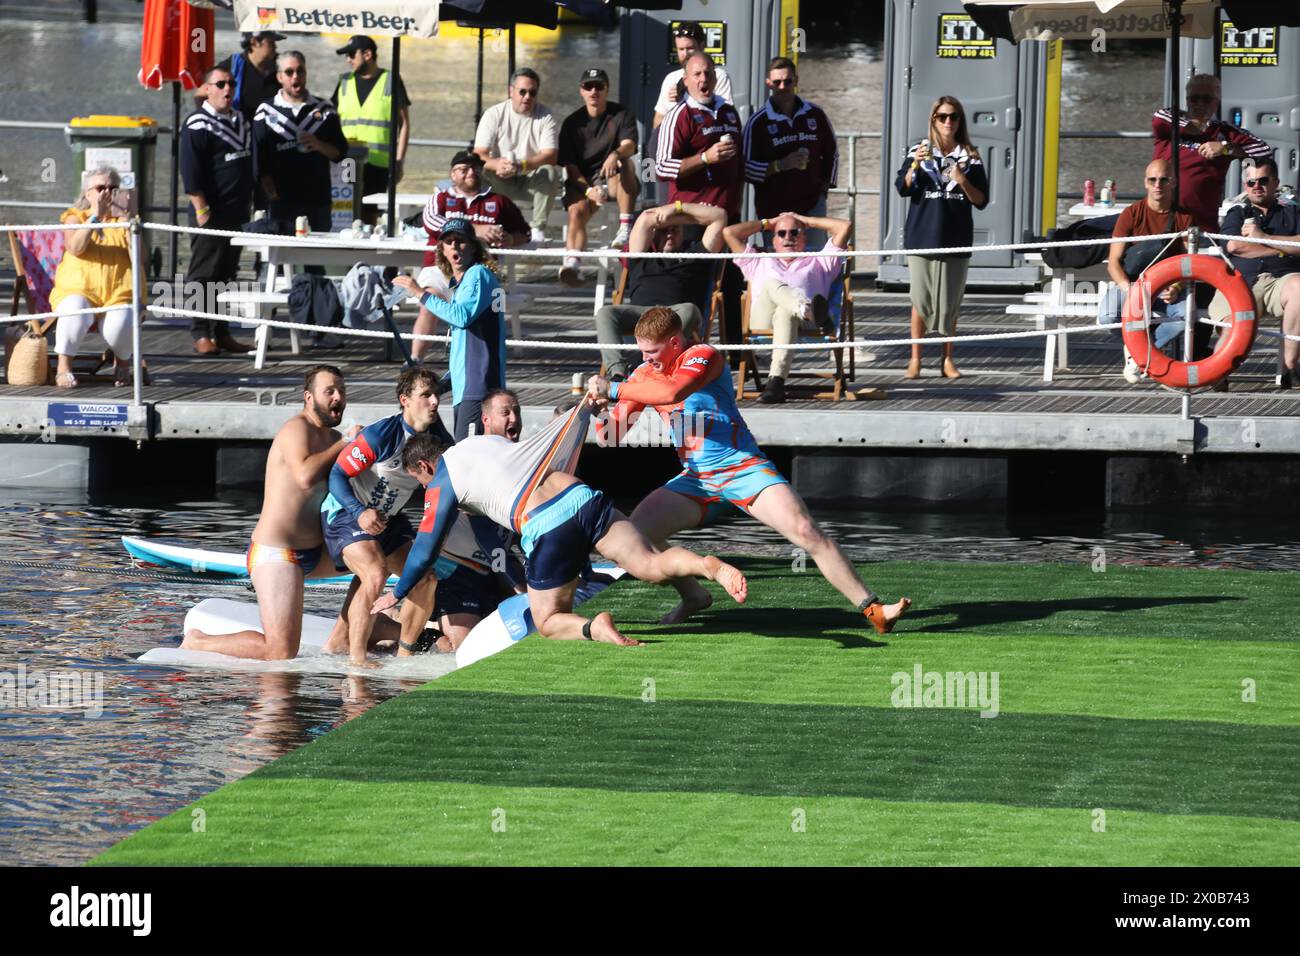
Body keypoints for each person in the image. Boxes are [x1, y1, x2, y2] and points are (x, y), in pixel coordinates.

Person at [587, 308, 910, 634]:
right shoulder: (643, 375)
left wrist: (613, 389)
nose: (644, 358)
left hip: (743, 468)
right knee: (634, 539)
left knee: (806, 531)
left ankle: (874, 609)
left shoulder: (703, 356)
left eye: (652, 351)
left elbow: (673, 392)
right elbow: (609, 437)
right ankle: (693, 595)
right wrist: (599, 410)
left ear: (674, 342)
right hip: (696, 479)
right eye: (641, 351)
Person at [370, 400, 749, 647]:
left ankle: (595, 628)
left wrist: (397, 592)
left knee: (548, 620)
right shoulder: (482, 443)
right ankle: (705, 569)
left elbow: (424, 548)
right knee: (649, 563)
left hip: (547, 523)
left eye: (420, 482)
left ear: (424, 467)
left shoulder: (440, 478)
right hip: (582, 496)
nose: (425, 489)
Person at [181, 366, 353, 660]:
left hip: (316, 552)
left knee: (375, 562)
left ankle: (344, 636)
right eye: (329, 391)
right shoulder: (297, 429)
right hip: (278, 553)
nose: (337, 397)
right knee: (281, 650)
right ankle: (199, 641)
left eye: (341, 391)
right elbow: (304, 476)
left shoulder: (333, 437)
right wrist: (344, 445)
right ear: (309, 397)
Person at [319, 367, 453, 665]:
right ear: (405, 400)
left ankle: (404, 656)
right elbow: (337, 475)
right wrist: (360, 512)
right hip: (346, 512)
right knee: (376, 573)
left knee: (425, 577)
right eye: (425, 396)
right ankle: (357, 662)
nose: (434, 402)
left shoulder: (438, 438)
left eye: (436, 396)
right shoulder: (381, 435)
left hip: (389, 518)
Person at [894, 95, 988, 380]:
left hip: (956, 235)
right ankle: (915, 359)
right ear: (933, 119)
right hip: (923, 234)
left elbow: (981, 200)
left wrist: (962, 180)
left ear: (960, 121)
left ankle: (947, 359)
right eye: (942, 117)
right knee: (920, 300)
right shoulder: (918, 151)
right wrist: (913, 165)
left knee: (950, 303)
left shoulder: (971, 156)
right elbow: (903, 188)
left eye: (954, 117)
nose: (948, 122)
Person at [655, 51, 745, 346]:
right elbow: (662, 167)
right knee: (694, 287)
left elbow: (741, 162)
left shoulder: (730, 113)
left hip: (730, 218)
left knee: (732, 287)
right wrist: (706, 157)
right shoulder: (678, 115)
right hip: (694, 219)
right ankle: (686, 350)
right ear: (686, 80)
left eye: (708, 73)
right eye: (697, 74)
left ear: (715, 78)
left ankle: (734, 354)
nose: (703, 79)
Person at [392, 218, 507, 440]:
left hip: (480, 390)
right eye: (449, 241)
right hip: (470, 390)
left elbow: (462, 317)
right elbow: (465, 357)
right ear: (442, 250)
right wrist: (440, 386)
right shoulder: (463, 284)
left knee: (469, 462)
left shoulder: (477, 274)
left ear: (473, 247)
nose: (454, 246)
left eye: (461, 241)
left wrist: (420, 293)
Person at [723, 210, 852, 404]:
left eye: (795, 232)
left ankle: (775, 384)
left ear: (804, 236)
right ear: (773, 240)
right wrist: (768, 222)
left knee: (786, 312)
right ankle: (806, 308)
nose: (788, 237)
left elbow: (845, 227)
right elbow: (729, 233)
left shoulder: (819, 261)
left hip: (805, 326)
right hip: (765, 322)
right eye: (781, 233)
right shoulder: (759, 261)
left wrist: (807, 220)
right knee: (772, 284)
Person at [411, 149, 529, 357]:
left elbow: (524, 233)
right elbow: (431, 223)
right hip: (440, 268)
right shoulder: (440, 198)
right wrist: (475, 230)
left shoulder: (499, 201)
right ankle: (414, 361)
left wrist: (510, 238)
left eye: (475, 168)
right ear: (452, 175)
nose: (470, 173)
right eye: (463, 169)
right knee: (430, 302)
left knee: (479, 313)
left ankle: (481, 363)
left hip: (480, 272)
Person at [595, 201, 726, 380]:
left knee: (689, 309)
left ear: (684, 232)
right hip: (643, 317)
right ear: (654, 232)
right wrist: (676, 213)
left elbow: (719, 217)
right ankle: (618, 373)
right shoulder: (641, 255)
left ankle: (658, 366)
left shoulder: (695, 254)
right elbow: (645, 219)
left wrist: (678, 208)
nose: (670, 234)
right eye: (665, 229)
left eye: (676, 230)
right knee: (605, 313)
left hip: (676, 314)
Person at [1097, 158, 1201, 383]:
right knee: (1107, 317)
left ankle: (1138, 352)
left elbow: (1190, 262)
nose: (1158, 185)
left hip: (1168, 287)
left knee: (1184, 318)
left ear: (1173, 183)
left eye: (1164, 180)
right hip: (1133, 283)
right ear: (1145, 183)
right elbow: (1114, 262)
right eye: (1153, 180)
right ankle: (1139, 350)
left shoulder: (1185, 217)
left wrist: (1176, 287)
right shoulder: (1131, 214)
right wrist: (1129, 288)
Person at [181, 65, 253, 356]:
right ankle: (200, 333)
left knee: (226, 273)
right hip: (209, 211)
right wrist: (201, 208)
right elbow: (190, 171)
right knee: (203, 273)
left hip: (237, 212)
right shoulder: (198, 123)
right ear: (207, 89)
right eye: (220, 84)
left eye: (231, 84)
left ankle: (222, 332)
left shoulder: (241, 121)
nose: (227, 89)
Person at [48, 167, 141, 388]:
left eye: (112, 188)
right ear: (88, 194)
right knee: (75, 310)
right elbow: (75, 248)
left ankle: (123, 362)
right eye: (100, 188)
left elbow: (140, 259)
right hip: (79, 288)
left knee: (121, 322)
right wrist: (95, 218)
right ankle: (64, 367)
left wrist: (130, 225)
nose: (106, 193)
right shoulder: (74, 217)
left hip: (119, 291)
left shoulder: (126, 220)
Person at [1211, 157, 1300, 388]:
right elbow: (1235, 246)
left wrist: (1264, 238)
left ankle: (1290, 368)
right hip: (1240, 282)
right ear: (1245, 187)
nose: (1256, 186)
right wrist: (1282, 250)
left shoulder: (1293, 214)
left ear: (1275, 183)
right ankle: (1219, 370)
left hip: (1280, 283)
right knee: (1234, 323)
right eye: (1251, 182)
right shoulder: (1237, 214)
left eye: (1263, 180)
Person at [1152, 73, 1271, 232]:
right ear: (1187, 100)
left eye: (1207, 99)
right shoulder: (1171, 119)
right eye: (1194, 98)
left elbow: (1264, 151)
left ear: (1217, 102)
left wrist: (1225, 148)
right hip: (1159, 220)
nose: (1200, 103)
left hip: (1200, 225)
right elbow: (1159, 118)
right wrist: (1197, 128)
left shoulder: (1225, 131)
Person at [742, 57, 838, 248]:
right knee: (780, 266)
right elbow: (745, 168)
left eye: (788, 81)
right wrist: (780, 165)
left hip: (812, 205)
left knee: (815, 262)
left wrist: (824, 189)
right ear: (768, 83)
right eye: (777, 82)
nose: (783, 87)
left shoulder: (815, 114)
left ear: (796, 80)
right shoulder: (758, 122)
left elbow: (832, 154)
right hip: (774, 209)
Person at [557, 68, 640, 286]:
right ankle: (573, 264)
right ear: (581, 91)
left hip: (614, 178)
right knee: (576, 211)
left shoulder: (622, 114)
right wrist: (588, 191)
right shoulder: (571, 123)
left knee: (624, 162)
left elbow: (630, 145)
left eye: (599, 86)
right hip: (584, 182)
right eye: (588, 86)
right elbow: (571, 167)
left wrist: (615, 154)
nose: (594, 91)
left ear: (607, 89)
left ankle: (625, 226)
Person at [253, 51, 348, 239]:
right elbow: (258, 161)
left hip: (317, 200)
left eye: (300, 71)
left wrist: (319, 145)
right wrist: (271, 194)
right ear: (279, 77)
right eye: (289, 72)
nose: (296, 76)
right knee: (281, 263)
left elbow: (340, 153)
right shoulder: (265, 111)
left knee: (315, 264)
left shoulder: (325, 109)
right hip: (281, 202)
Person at [474, 69, 560, 243]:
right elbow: (479, 154)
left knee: (549, 172)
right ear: (511, 91)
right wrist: (497, 164)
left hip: (529, 181)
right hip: (499, 179)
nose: (527, 97)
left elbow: (551, 156)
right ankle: (479, 223)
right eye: (522, 91)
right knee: (475, 172)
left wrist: (522, 165)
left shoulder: (546, 116)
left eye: (532, 93)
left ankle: (537, 228)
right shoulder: (494, 114)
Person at [332, 34, 410, 223]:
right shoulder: (344, 81)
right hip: (348, 160)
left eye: (351, 54)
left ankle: (366, 248)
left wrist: (399, 161)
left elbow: (404, 124)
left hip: (379, 163)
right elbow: (331, 118)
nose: (348, 60)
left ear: (367, 54)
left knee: (370, 212)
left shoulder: (391, 80)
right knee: (345, 208)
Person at [652, 21, 733, 131]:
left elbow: (724, 116)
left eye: (690, 48)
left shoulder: (717, 75)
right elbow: (659, 117)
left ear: (702, 46)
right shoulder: (671, 78)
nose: (685, 54)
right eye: (681, 49)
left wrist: (685, 95)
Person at [218, 31, 285, 127]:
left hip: (274, 131)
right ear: (255, 42)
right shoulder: (233, 65)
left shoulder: (282, 64)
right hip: (240, 133)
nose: (275, 47)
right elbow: (202, 93)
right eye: (271, 42)